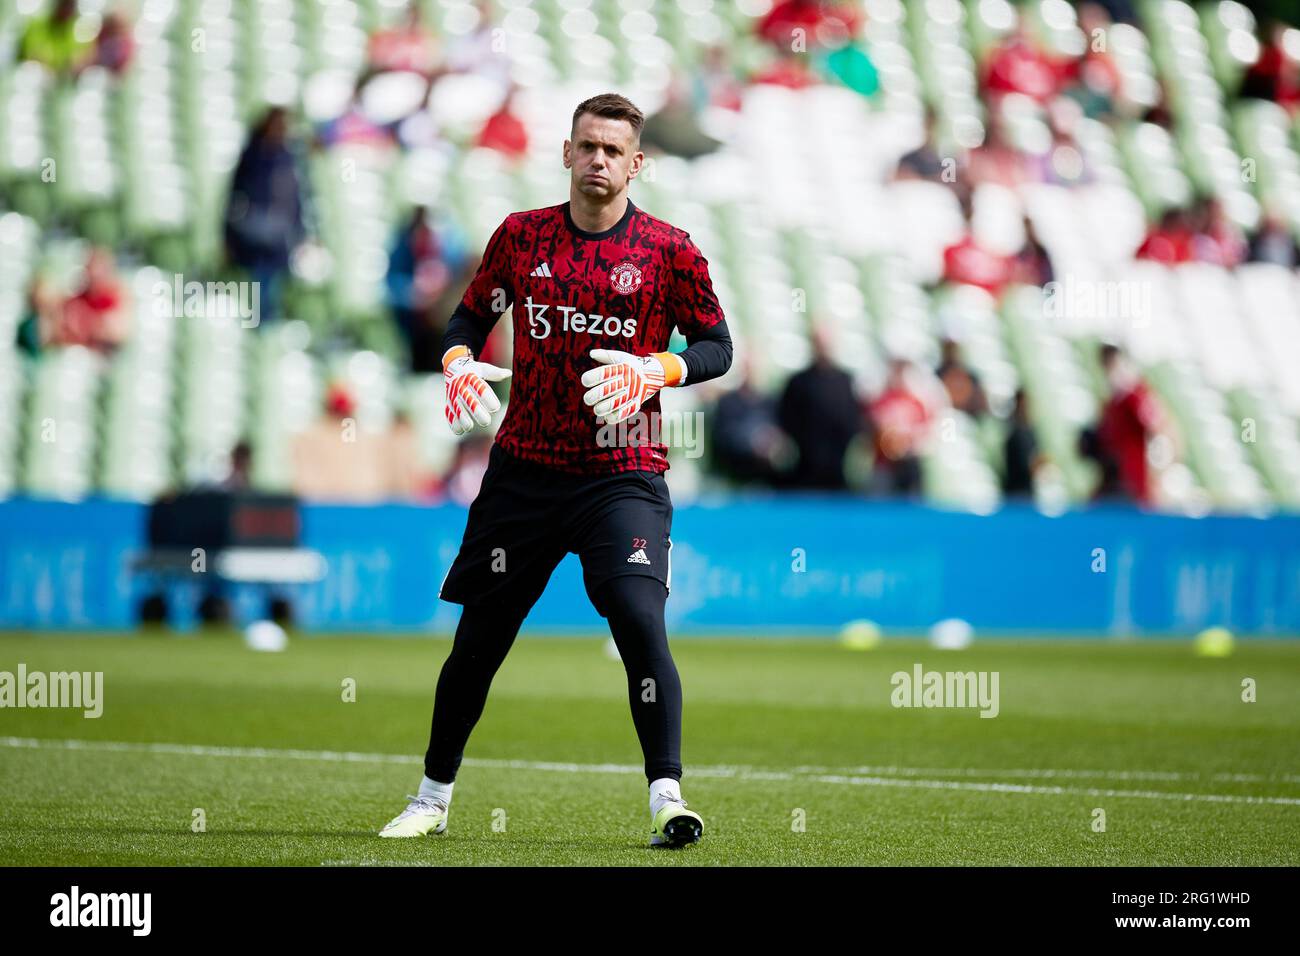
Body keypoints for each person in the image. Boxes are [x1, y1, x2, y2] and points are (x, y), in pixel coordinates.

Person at [378, 94, 733, 848]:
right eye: (588, 146)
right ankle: (432, 797)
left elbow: (717, 345)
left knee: (639, 619)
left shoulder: (669, 250)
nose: (599, 159)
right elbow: (469, 316)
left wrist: (657, 368)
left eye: (614, 150)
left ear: (637, 164)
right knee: (480, 639)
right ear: (566, 153)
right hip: (525, 470)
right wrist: (456, 361)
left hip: (623, 468)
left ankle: (667, 796)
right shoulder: (522, 236)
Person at [223, 108, 306, 323]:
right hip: (254, 234)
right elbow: (235, 196)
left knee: (275, 281)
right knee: (259, 280)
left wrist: (300, 232)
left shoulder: (289, 159)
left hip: (279, 235)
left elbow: (296, 198)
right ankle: (261, 321)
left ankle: (270, 321)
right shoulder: (252, 156)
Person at [776, 325, 863, 490]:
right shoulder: (798, 382)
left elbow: (853, 422)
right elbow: (785, 420)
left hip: (837, 471)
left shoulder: (846, 382)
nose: (823, 347)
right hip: (803, 472)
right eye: (819, 342)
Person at [1084, 344, 1166, 505]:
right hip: (1113, 481)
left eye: (1111, 363)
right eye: (1105, 364)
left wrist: (1157, 473)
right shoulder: (1111, 404)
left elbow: (1156, 431)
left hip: (1133, 484)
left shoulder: (1135, 396)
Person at [867, 357, 932, 496]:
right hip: (884, 466)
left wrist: (906, 442)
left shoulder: (917, 403)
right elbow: (875, 430)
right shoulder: (880, 401)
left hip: (908, 465)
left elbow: (924, 434)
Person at [1003, 388, 1042, 498]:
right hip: (1016, 493)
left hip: (1028, 492)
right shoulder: (1013, 433)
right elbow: (1026, 465)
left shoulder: (1031, 432)